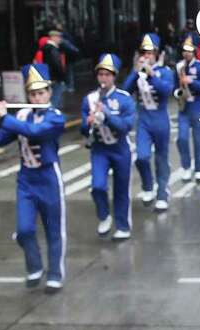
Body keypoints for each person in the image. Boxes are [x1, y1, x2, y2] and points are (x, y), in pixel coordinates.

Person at [0, 63, 67, 292]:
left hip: (48, 178)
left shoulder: (56, 117)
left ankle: (55, 273)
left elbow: (35, 133)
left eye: (41, 93)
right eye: (33, 94)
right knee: (24, 230)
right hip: (26, 179)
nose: (37, 98)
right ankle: (34, 265)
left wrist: (5, 117)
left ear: (49, 93)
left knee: (53, 229)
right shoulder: (23, 114)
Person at [81, 54, 136, 239]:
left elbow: (125, 127)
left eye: (108, 74)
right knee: (97, 186)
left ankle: (123, 226)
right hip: (100, 149)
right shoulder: (89, 99)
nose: (104, 78)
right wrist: (88, 122)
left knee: (121, 190)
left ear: (114, 76)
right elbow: (83, 129)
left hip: (120, 148)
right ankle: (104, 215)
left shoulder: (124, 98)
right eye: (101, 74)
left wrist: (106, 115)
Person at [123, 33, 175, 212]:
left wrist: (152, 75)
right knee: (142, 156)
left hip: (160, 119)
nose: (147, 56)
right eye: (144, 52)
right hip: (144, 119)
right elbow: (125, 90)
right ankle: (147, 185)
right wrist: (136, 72)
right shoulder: (138, 74)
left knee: (161, 158)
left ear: (157, 54)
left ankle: (162, 194)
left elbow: (166, 91)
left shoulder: (165, 72)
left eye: (150, 52)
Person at [174, 36, 200, 181]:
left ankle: (199, 169)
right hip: (184, 106)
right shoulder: (179, 67)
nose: (187, 54)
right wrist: (178, 93)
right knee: (182, 138)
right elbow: (174, 86)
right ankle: (186, 166)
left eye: (190, 51)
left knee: (198, 139)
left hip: (197, 104)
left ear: (194, 52)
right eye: (184, 51)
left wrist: (191, 82)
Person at [41, 29, 68, 109]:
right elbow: (57, 64)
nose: (60, 39)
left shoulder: (46, 48)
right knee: (56, 98)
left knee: (54, 97)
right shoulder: (53, 49)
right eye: (58, 37)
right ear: (53, 37)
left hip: (50, 77)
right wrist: (63, 77)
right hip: (56, 78)